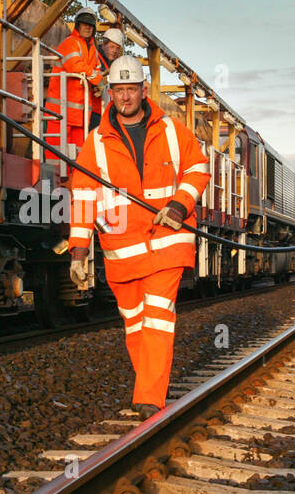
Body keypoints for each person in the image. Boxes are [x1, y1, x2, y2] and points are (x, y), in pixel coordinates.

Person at [67, 55, 210, 415]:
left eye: (132, 90)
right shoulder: (95, 143)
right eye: (119, 90)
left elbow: (198, 168)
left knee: (158, 315)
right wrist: (79, 251)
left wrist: (179, 205)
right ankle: (148, 382)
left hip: (167, 244)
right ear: (110, 93)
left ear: (144, 90)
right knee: (133, 320)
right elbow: (83, 196)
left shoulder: (174, 131)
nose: (126, 97)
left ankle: (148, 397)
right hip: (121, 250)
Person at [44, 10, 105, 161]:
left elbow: (96, 70)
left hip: (80, 115)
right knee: (56, 157)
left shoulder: (93, 51)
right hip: (59, 113)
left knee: (78, 158)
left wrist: (98, 84)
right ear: (77, 25)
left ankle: (74, 183)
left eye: (90, 25)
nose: (88, 27)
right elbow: (75, 66)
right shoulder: (70, 43)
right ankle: (52, 183)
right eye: (84, 24)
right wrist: (98, 81)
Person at [90, 27, 125, 129]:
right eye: (112, 46)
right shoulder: (95, 58)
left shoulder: (112, 64)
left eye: (117, 48)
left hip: (104, 112)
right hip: (93, 111)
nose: (115, 51)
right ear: (104, 44)